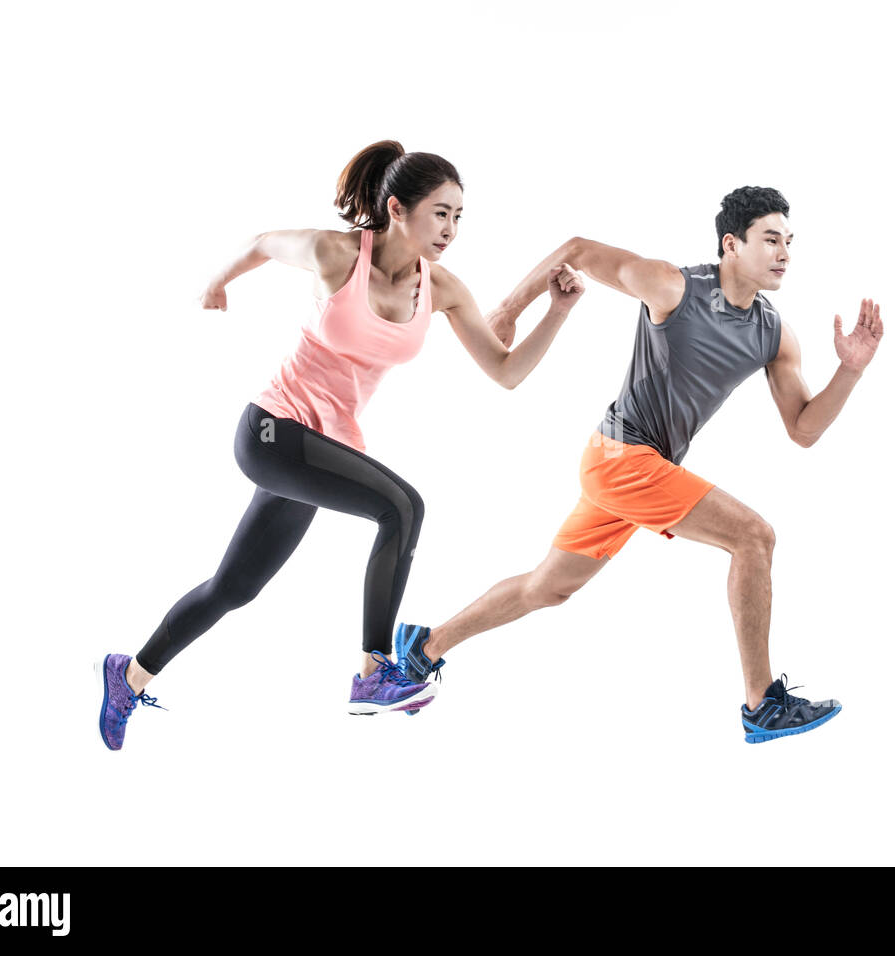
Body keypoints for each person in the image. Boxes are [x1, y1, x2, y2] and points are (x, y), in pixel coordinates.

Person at [95, 140, 584, 750]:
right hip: (272, 431)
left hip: (320, 448)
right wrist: (217, 283)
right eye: (440, 213)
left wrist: (559, 311)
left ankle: (127, 675)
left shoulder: (444, 288)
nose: (451, 229)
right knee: (402, 508)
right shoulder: (337, 254)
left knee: (235, 587)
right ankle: (374, 673)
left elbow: (506, 372)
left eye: (459, 216)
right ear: (398, 209)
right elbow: (263, 242)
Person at [391, 186, 883, 743]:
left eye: (789, 242)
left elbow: (803, 430)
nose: (784, 253)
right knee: (753, 537)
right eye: (770, 239)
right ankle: (761, 704)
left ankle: (423, 648)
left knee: (546, 589)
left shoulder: (774, 333)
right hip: (622, 458)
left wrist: (851, 371)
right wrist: (506, 310)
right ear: (731, 244)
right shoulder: (673, 286)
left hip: (632, 470)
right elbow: (576, 247)